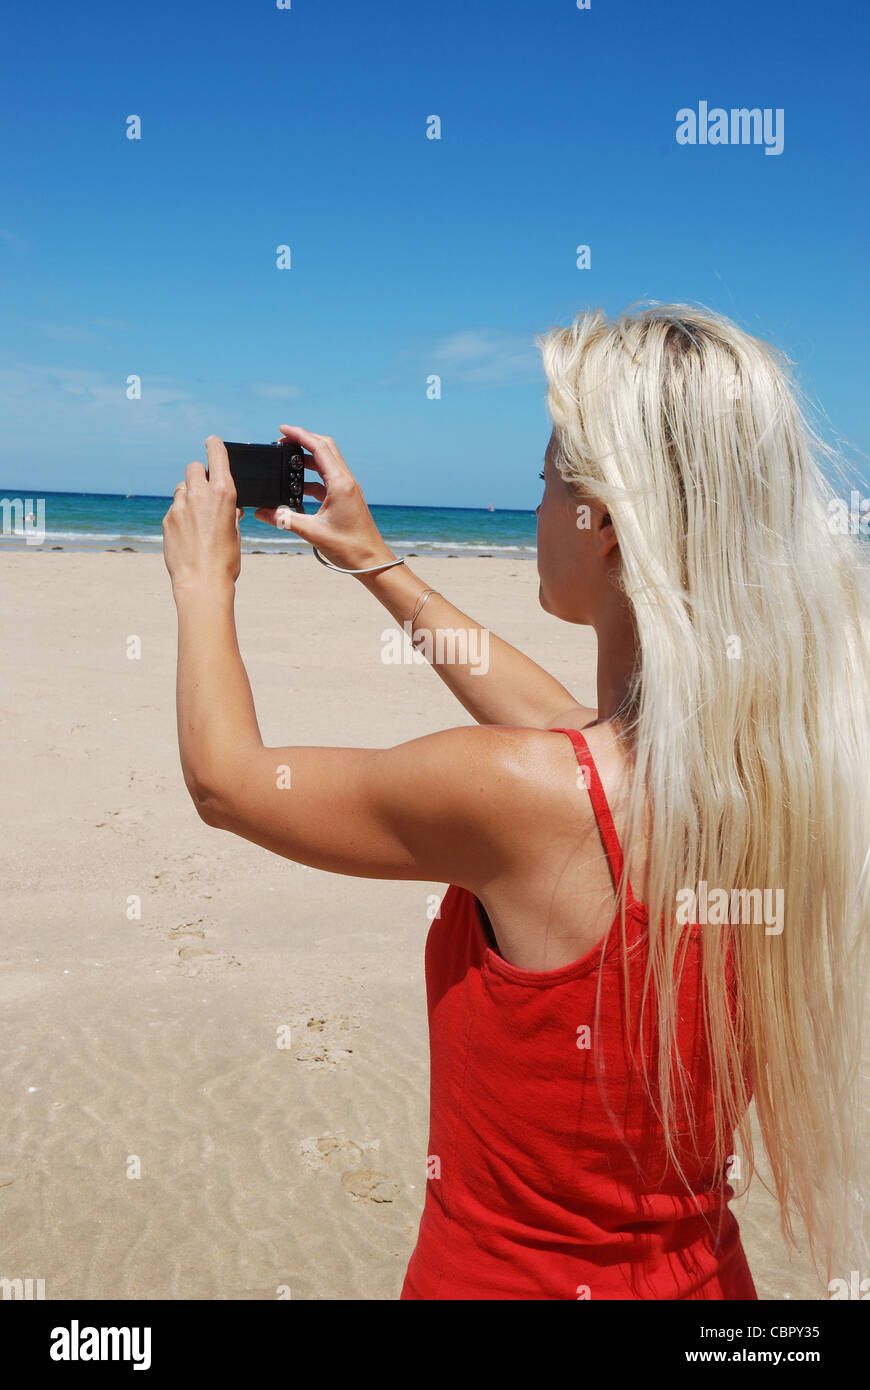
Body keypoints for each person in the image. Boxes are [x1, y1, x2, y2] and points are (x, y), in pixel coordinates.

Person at [162, 303, 869, 1300]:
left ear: (609, 527)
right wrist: (371, 557)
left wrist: (203, 580)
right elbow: (573, 729)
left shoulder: (523, 797)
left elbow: (227, 781)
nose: (535, 511)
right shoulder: (779, 775)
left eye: (544, 486)